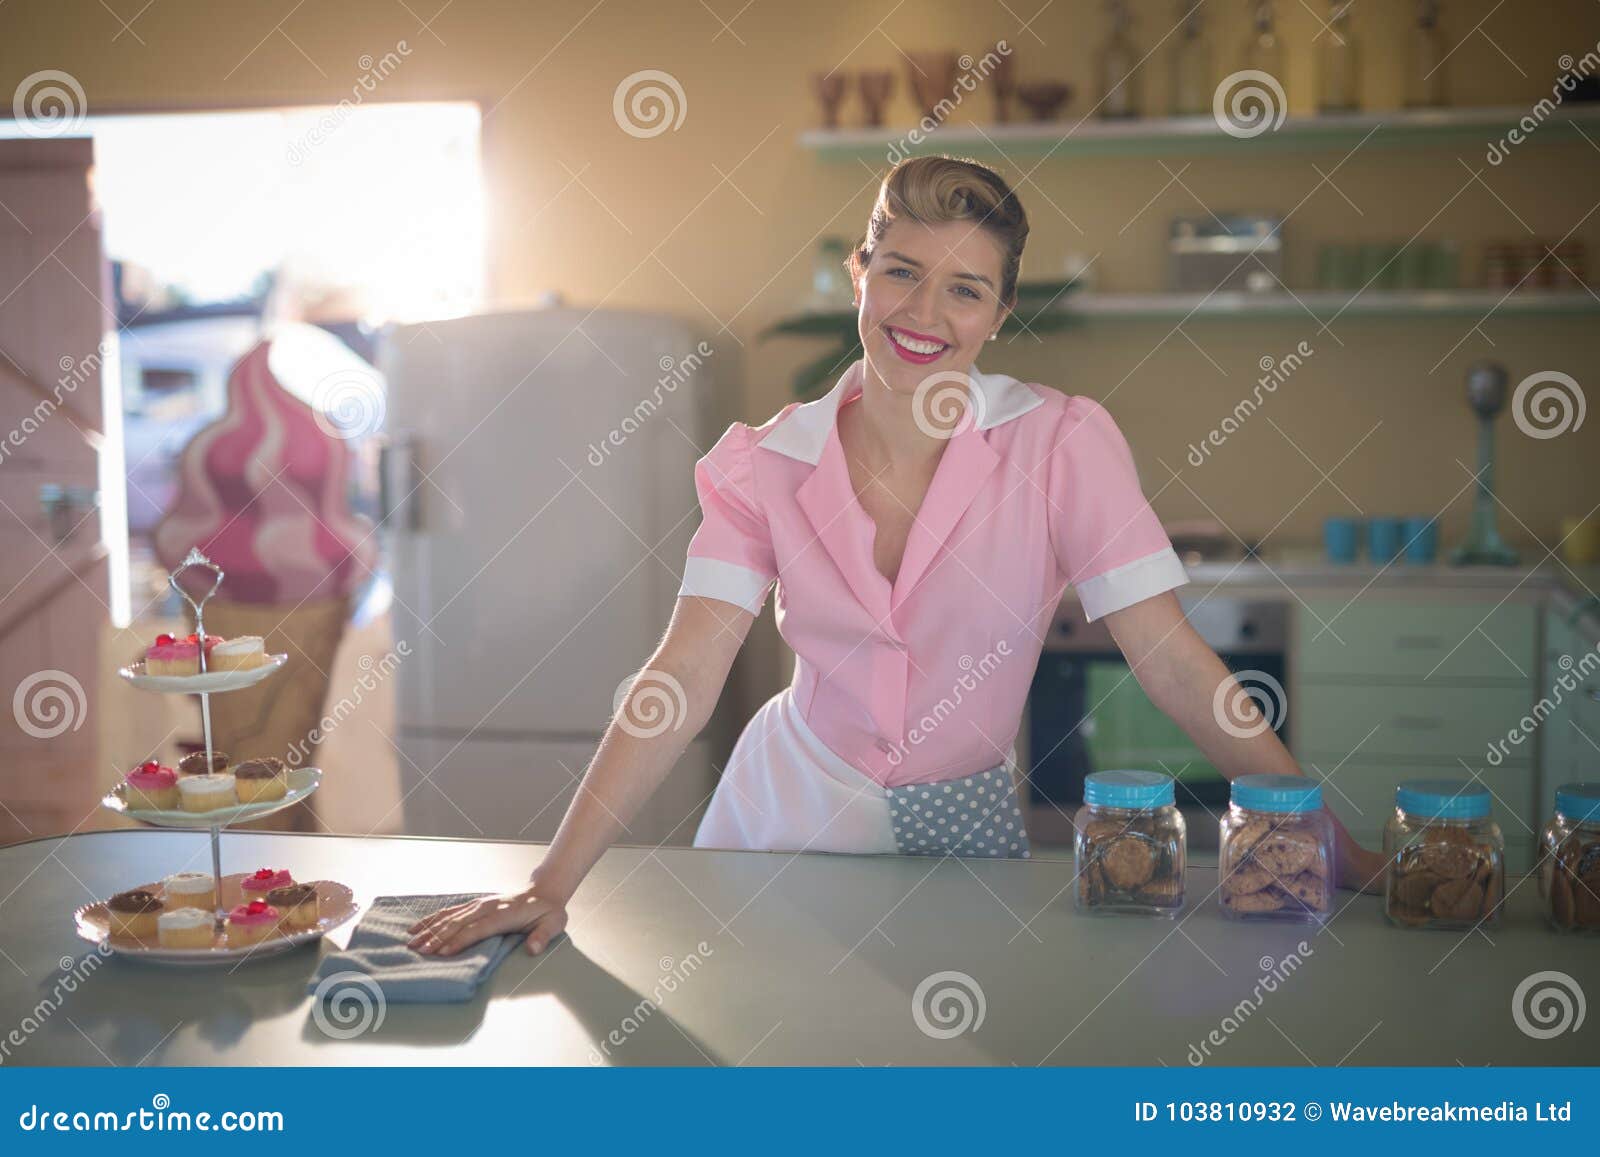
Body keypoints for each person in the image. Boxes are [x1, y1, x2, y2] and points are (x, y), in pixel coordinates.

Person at [409, 155, 1387, 958]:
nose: (924, 311)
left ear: (1000, 314)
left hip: (956, 816)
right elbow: (684, 667)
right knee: (760, 1062)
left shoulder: (1058, 446)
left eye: (964, 288)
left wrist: (1326, 839)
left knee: (946, 1064)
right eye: (902, 271)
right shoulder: (762, 462)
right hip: (779, 810)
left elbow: (1173, 662)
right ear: (859, 274)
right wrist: (550, 879)